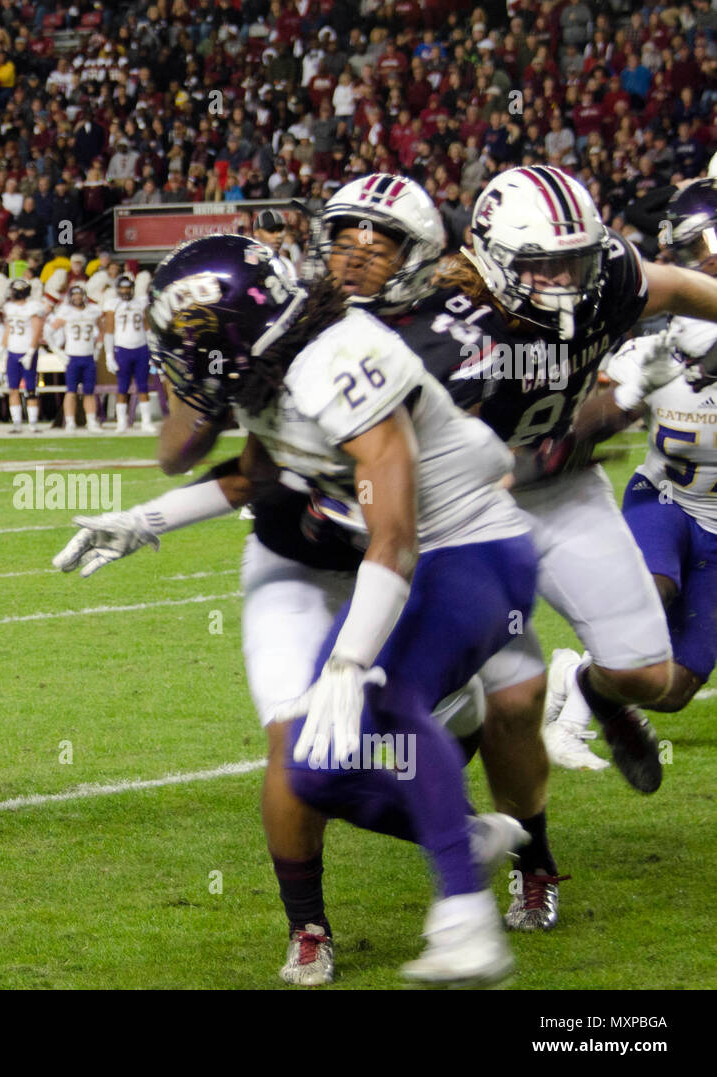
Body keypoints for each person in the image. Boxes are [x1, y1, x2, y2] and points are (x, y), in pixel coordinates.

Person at [55, 233, 537, 985]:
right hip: (410, 557)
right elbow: (254, 477)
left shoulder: (336, 361)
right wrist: (145, 521)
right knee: (312, 770)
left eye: (197, 343)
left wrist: (349, 659)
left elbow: (396, 530)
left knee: (387, 692)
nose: (185, 362)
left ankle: (469, 921)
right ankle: (457, 832)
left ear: (241, 333)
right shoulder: (274, 373)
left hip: (470, 546)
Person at [389, 164, 717, 929]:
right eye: (540, 262)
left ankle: (599, 699)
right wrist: (602, 417)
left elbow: (676, 286)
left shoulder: (608, 277)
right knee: (496, 704)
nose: (562, 277)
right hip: (468, 512)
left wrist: (607, 409)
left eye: (573, 257)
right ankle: (531, 862)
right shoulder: (443, 320)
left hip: (564, 495)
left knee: (646, 675)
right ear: (489, 252)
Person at [554, 179, 717, 727]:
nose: (691, 265)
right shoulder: (660, 351)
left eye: (695, 248)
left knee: (671, 691)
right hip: (666, 497)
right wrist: (631, 390)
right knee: (654, 590)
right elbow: (581, 427)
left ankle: (580, 678)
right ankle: (575, 720)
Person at [102, 275, 156, 433]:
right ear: (118, 289)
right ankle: (122, 422)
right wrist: (109, 355)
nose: (125, 291)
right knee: (122, 387)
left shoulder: (141, 302)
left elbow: (148, 328)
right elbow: (109, 331)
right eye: (123, 288)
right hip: (122, 348)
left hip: (141, 348)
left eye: (128, 288)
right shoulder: (113, 304)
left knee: (143, 386)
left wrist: (153, 351)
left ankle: (146, 422)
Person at [51, 284, 104, 432]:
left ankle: (91, 421)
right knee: (71, 391)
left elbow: (103, 329)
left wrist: (98, 347)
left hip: (88, 356)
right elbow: (49, 331)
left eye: (79, 296)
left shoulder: (93, 311)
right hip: (72, 357)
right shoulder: (66, 312)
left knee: (89, 391)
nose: (77, 299)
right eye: (74, 296)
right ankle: (70, 422)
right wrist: (57, 351)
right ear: (70, 298)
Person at [0, 277, 44, 433]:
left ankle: (32, 423)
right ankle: (17, 423)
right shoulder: (10, 307)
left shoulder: (33, 307)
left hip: (27, 351)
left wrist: (31, 352)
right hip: (12, 351)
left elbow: (37, 330)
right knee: (13, 388)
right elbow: (7, 329)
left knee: (31, 389)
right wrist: (2, 350)